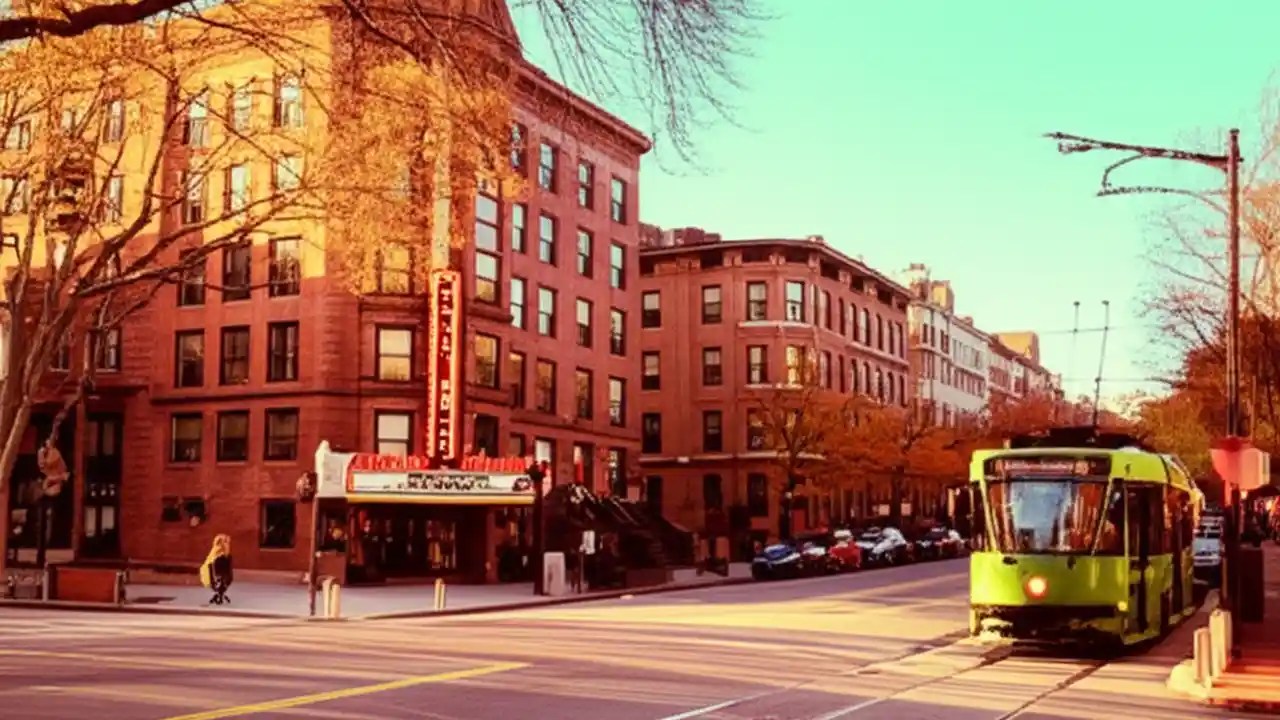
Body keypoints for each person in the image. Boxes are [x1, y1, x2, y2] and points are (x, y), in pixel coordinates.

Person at [199, 534, 234, 605]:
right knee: (221, 581)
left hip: (222, 579)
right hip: (219, 579)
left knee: (222, 582)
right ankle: (219, 595)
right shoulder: (219, 557)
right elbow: (215, 570)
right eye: (226, 542)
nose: (228, 545)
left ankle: (219, 595)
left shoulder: (224, 556)